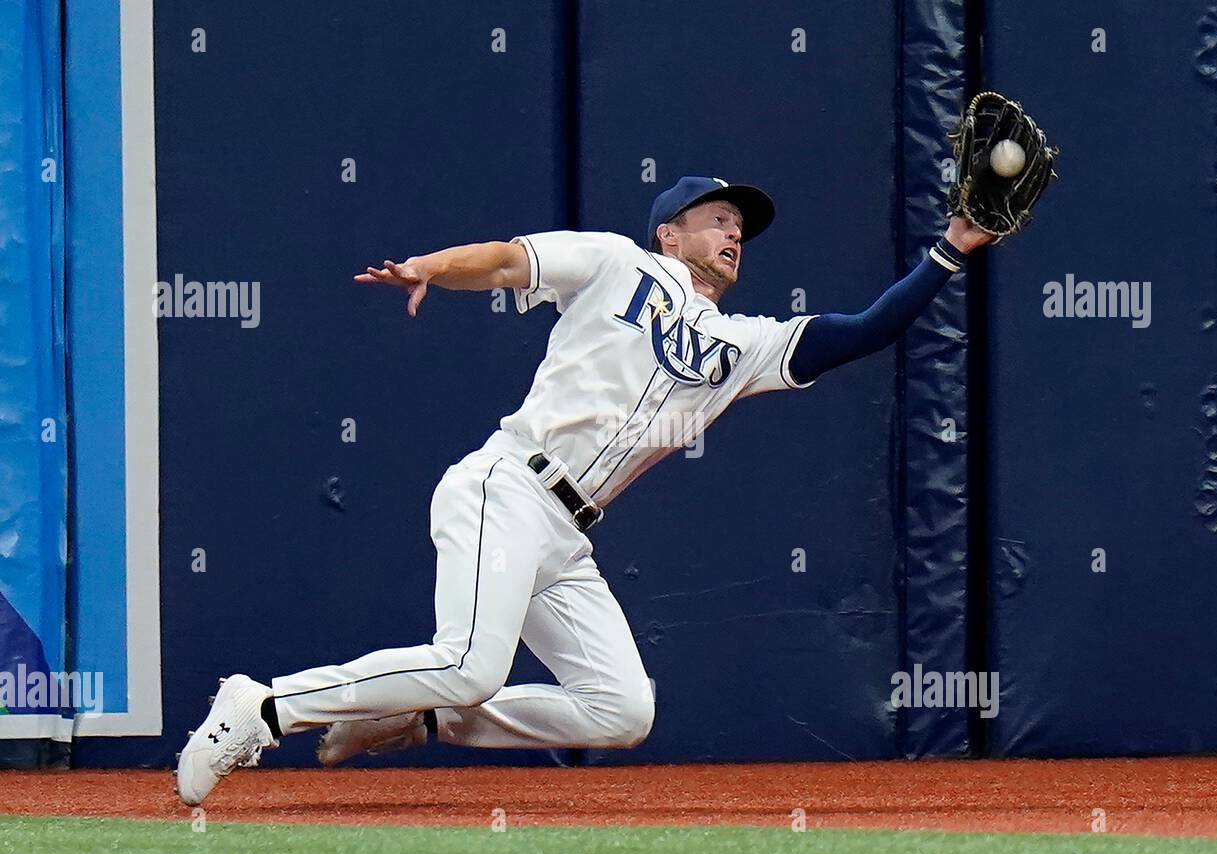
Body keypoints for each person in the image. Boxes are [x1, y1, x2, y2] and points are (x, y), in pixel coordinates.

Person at [176, 175, 991, 806]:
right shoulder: (617, 261)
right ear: (670, 231)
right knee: (468, 662)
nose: (733, 232)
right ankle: (264, 706)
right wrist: (431, 267)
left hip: (565, 535)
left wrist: (951, 247)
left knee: (620, 712)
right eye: (717, 218)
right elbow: (506, 259)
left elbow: (864, 331)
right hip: (509, 485)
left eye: (740, 228)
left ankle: (418, 717)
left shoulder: (744, 347)